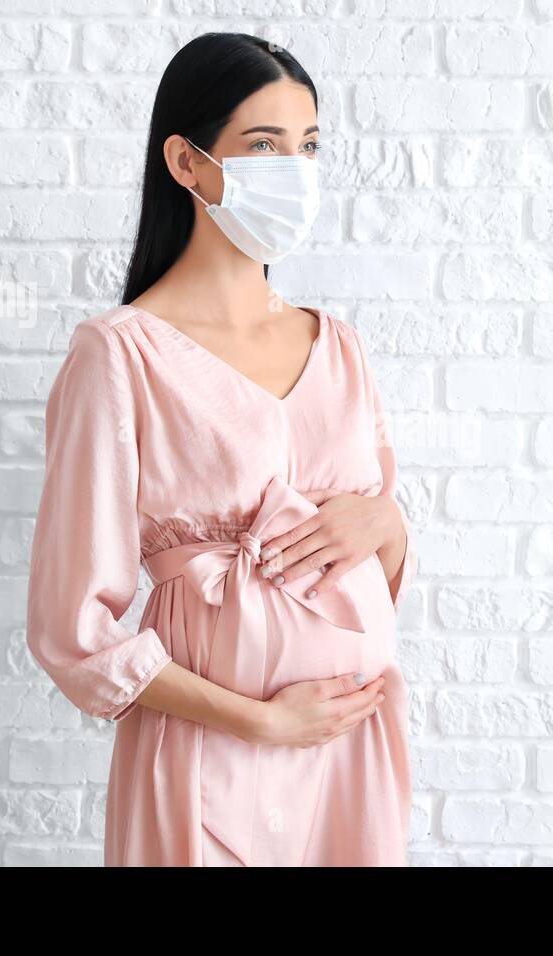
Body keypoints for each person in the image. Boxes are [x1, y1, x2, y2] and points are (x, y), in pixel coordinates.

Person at [24, 32, 416, 867]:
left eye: (308, 147)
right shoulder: (120, 355)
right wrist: (264, 721)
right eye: (266, 147)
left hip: (348, 746)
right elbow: (72, 632)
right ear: (188, 161)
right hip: (214, 753)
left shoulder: (338, 345)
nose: (297, 170)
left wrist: (385, 521)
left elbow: (381, 561)